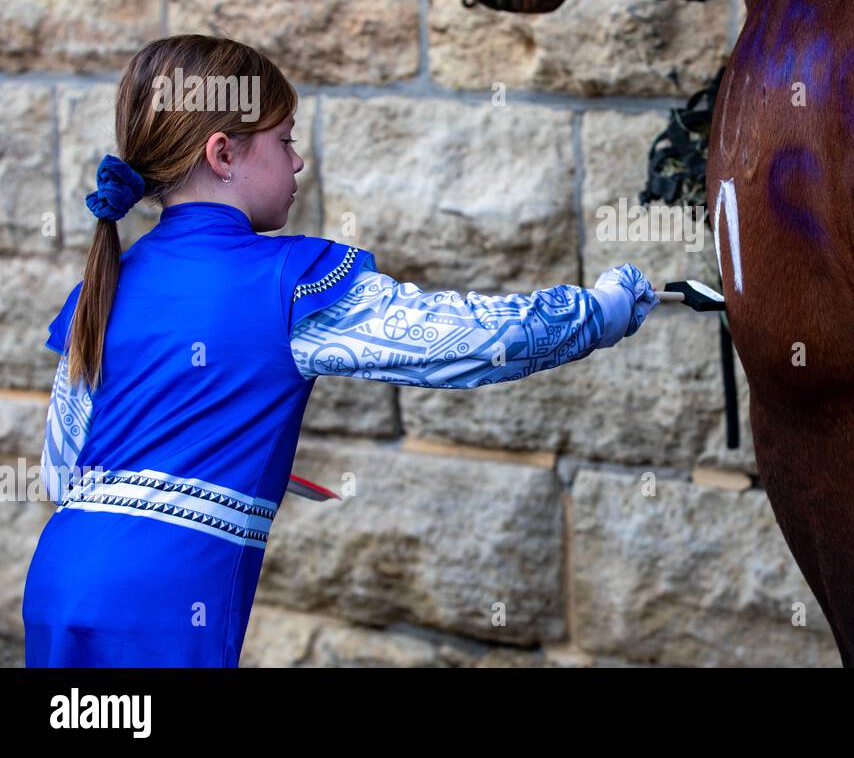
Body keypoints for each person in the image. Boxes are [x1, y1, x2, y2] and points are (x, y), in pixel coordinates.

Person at [22, 34, 659, 667]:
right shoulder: (285, 279)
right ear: (223, 154)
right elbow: (465, 341)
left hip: (59, 578)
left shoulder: (103, 284)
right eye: (284, 140)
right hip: (161, 597)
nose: (297, 162)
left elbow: (62, 471)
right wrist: (600, 311)